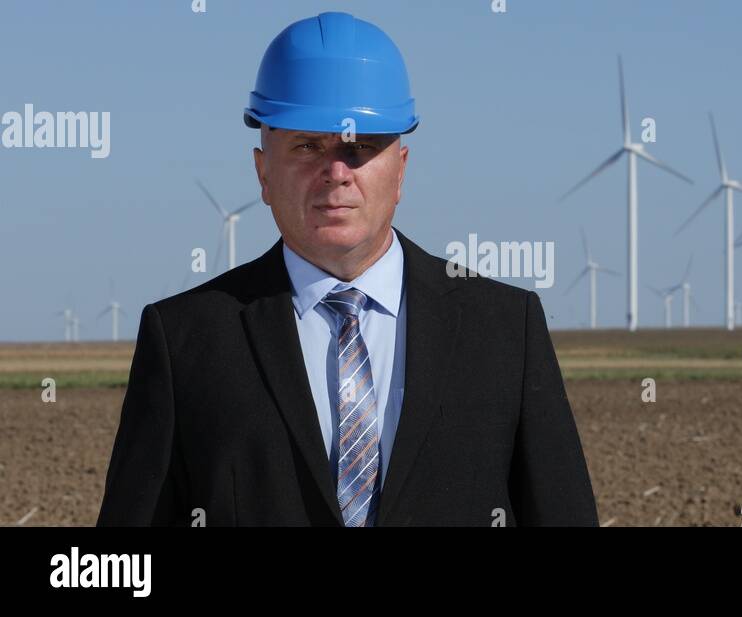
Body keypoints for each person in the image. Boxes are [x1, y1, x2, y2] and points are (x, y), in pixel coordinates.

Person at [97, 11, 598, 527]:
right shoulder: (184, 340)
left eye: (361, 148)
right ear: (262, 171)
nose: (336, 173)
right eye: (307, 146)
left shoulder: (505, 329)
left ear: (401, 170)